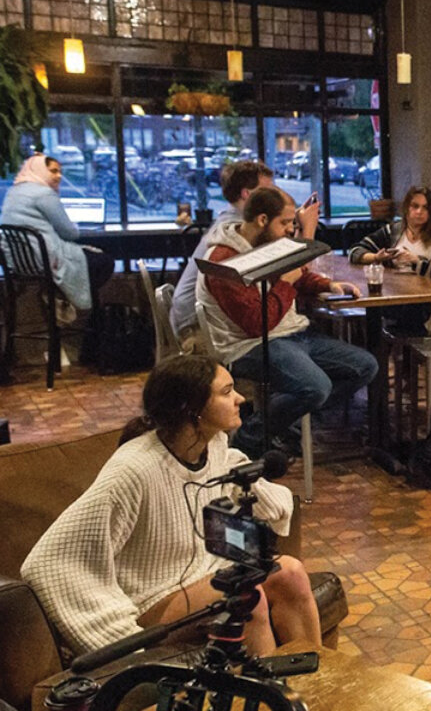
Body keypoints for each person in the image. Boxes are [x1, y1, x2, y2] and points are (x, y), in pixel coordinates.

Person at [20, 355, 321, 657]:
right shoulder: (134, 469)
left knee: (291, 572)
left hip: (205, 577)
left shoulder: (213, 442)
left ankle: (319, 689)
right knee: (246, 596)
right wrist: (113, 634)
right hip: (151, 601)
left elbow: (218, 475)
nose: (240, 398)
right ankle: (267, 699)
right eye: (227, 392)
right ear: (191, 409)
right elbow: (47, 561)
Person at [197, 187, 377, 456]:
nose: (290, 230)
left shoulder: (264, 244)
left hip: (291, 333)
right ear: (261, 220)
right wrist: (284, 284)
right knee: (316, 387)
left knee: (365, 366)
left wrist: (327, 284)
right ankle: (251, 437)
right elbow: (257, 323)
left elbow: (296, 274)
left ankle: (285, 423)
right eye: (285, 223)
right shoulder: (224, 262)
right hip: (248, 344)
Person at [170, 160, 319, 349]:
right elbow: (291, 267)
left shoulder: (231, 220)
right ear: (248, 194)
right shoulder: (241, 233)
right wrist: (308, 229)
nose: (275, 195)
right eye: (269, 190)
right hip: (197, 326)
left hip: (198, 316)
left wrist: (287, 220)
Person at [0, 154, 113, 318]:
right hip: (44, 260)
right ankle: (62, 297)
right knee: (104, 261)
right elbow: (70, 233)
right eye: (53, 171)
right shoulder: (44, 193)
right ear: (39, 170)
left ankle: (58, 294)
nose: (59, 176)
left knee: (91, 259)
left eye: (60, 171)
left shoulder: (14, 191)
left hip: (18, 263)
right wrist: (75, 225)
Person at [349, 186, 431, 273]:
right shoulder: (392, 231)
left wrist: (417, 261)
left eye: (425, 207)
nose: (420, 211)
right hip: (397, 289)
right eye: (415, 206)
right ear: (407, 208)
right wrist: (376, 257)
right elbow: (354, 252)